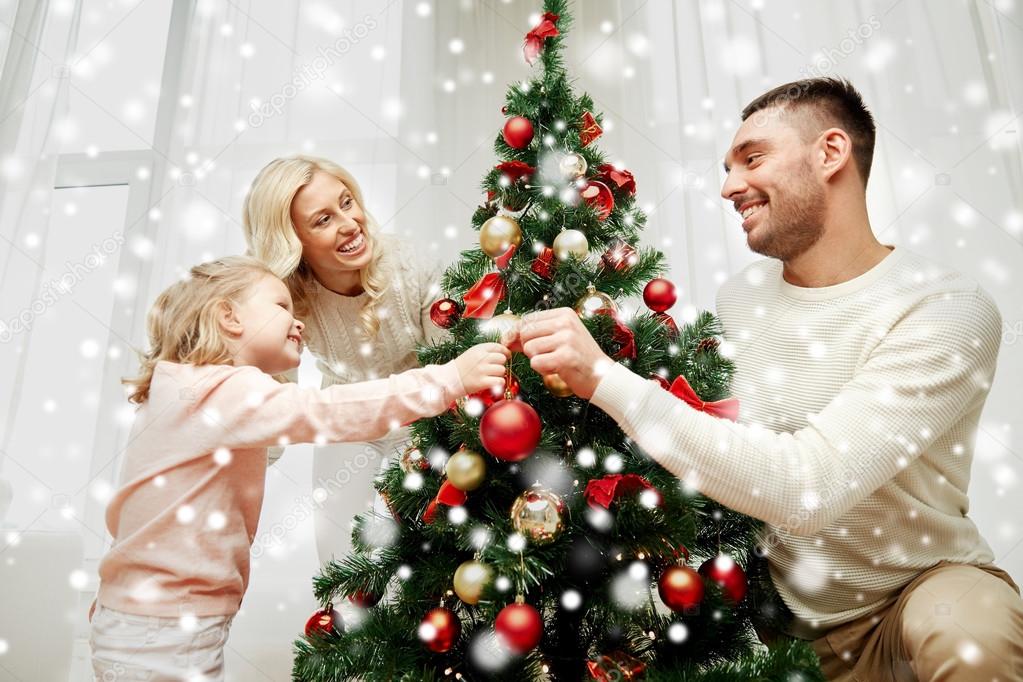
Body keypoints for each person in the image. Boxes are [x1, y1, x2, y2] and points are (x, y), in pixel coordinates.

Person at [509, 78, 1023, 680]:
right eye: (727, 168)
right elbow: (720, 446)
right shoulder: (740, 302)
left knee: (967, 628)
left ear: (831, 153)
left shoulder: (944, 307)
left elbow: (808, 487)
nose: (729, 187)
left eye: (752, 159)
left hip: (914, 598)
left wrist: (601, 376)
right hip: (779, 628)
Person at [90, 256, 509, 681]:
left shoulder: (181, 390)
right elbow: (326, 411)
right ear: (229, 317)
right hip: (165, 623)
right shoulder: (220, 390)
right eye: (280, 306)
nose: (298, 322)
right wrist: (450, 379)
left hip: (139, 614)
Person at [242, 155, 452, 566]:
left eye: (346, 202)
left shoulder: (409, 264)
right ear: (292, 241)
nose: (350, 223)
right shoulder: (287, 297)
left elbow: (451, 364)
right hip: (347, 414)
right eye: (322, 220)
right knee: (340, 555)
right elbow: (276, 400)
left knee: (433, 550)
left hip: (426, 412)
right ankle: (344, 628)